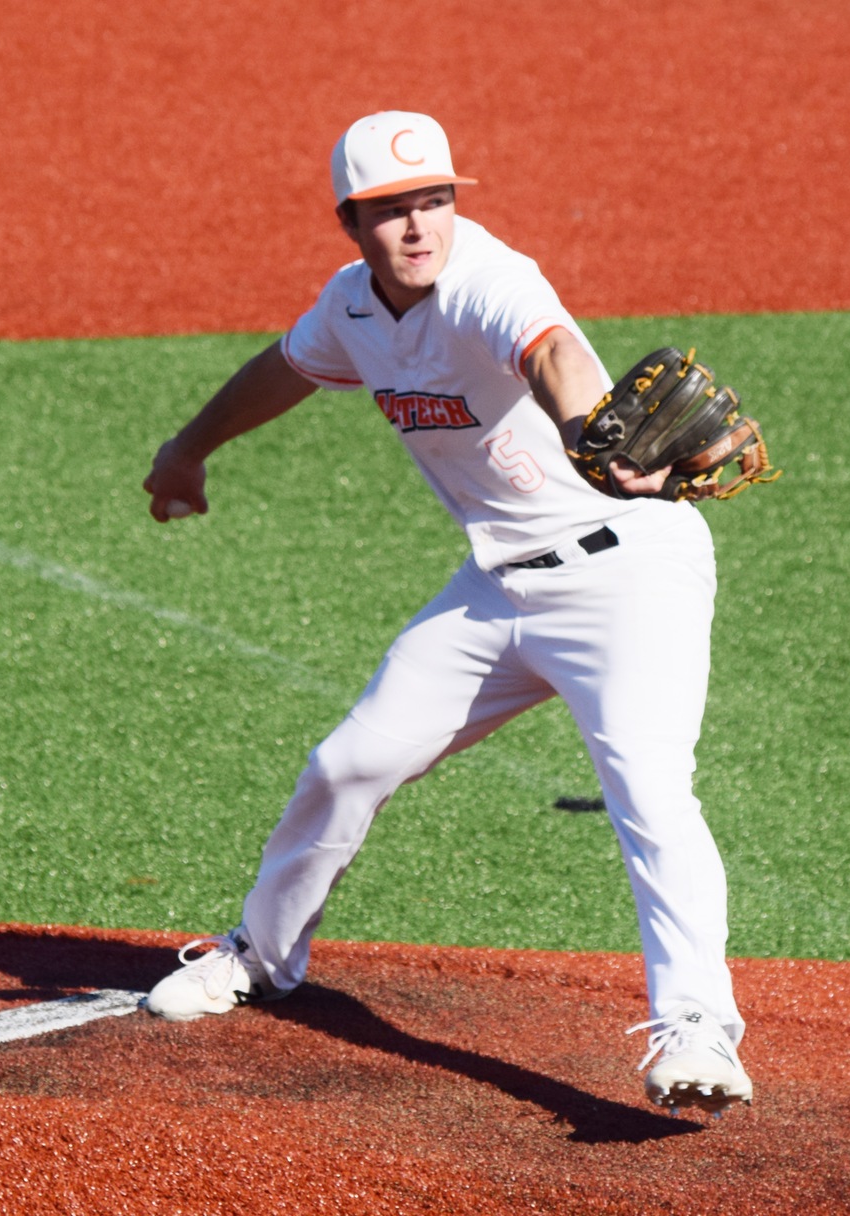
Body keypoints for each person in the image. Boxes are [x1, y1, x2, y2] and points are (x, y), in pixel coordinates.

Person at [138, 111, 751, 1117]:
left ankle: (699, 1028)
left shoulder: (489, 280)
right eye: (391, 209)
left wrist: (591, 431)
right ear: (351, 220)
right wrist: (188, 448)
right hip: (498, 584)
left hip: (628, 576)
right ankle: (263, 953)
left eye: (436, 200)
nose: (420, 226)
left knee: (648, 785)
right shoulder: (352, 308)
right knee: (350, 762)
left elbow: (553, 351)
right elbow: (282, 368)